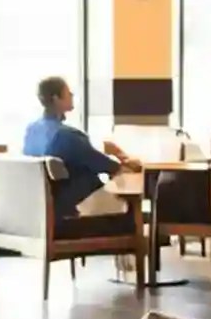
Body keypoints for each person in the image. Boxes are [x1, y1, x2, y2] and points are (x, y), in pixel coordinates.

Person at [22, 76, 142, 218]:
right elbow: (108, 166)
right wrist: (129, 162)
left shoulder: (32, 130)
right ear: (56, 99)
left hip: (45, 212)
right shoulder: (66, 136)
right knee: (132, 206)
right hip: (76, 211)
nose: (72, 96)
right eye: (68, 93)